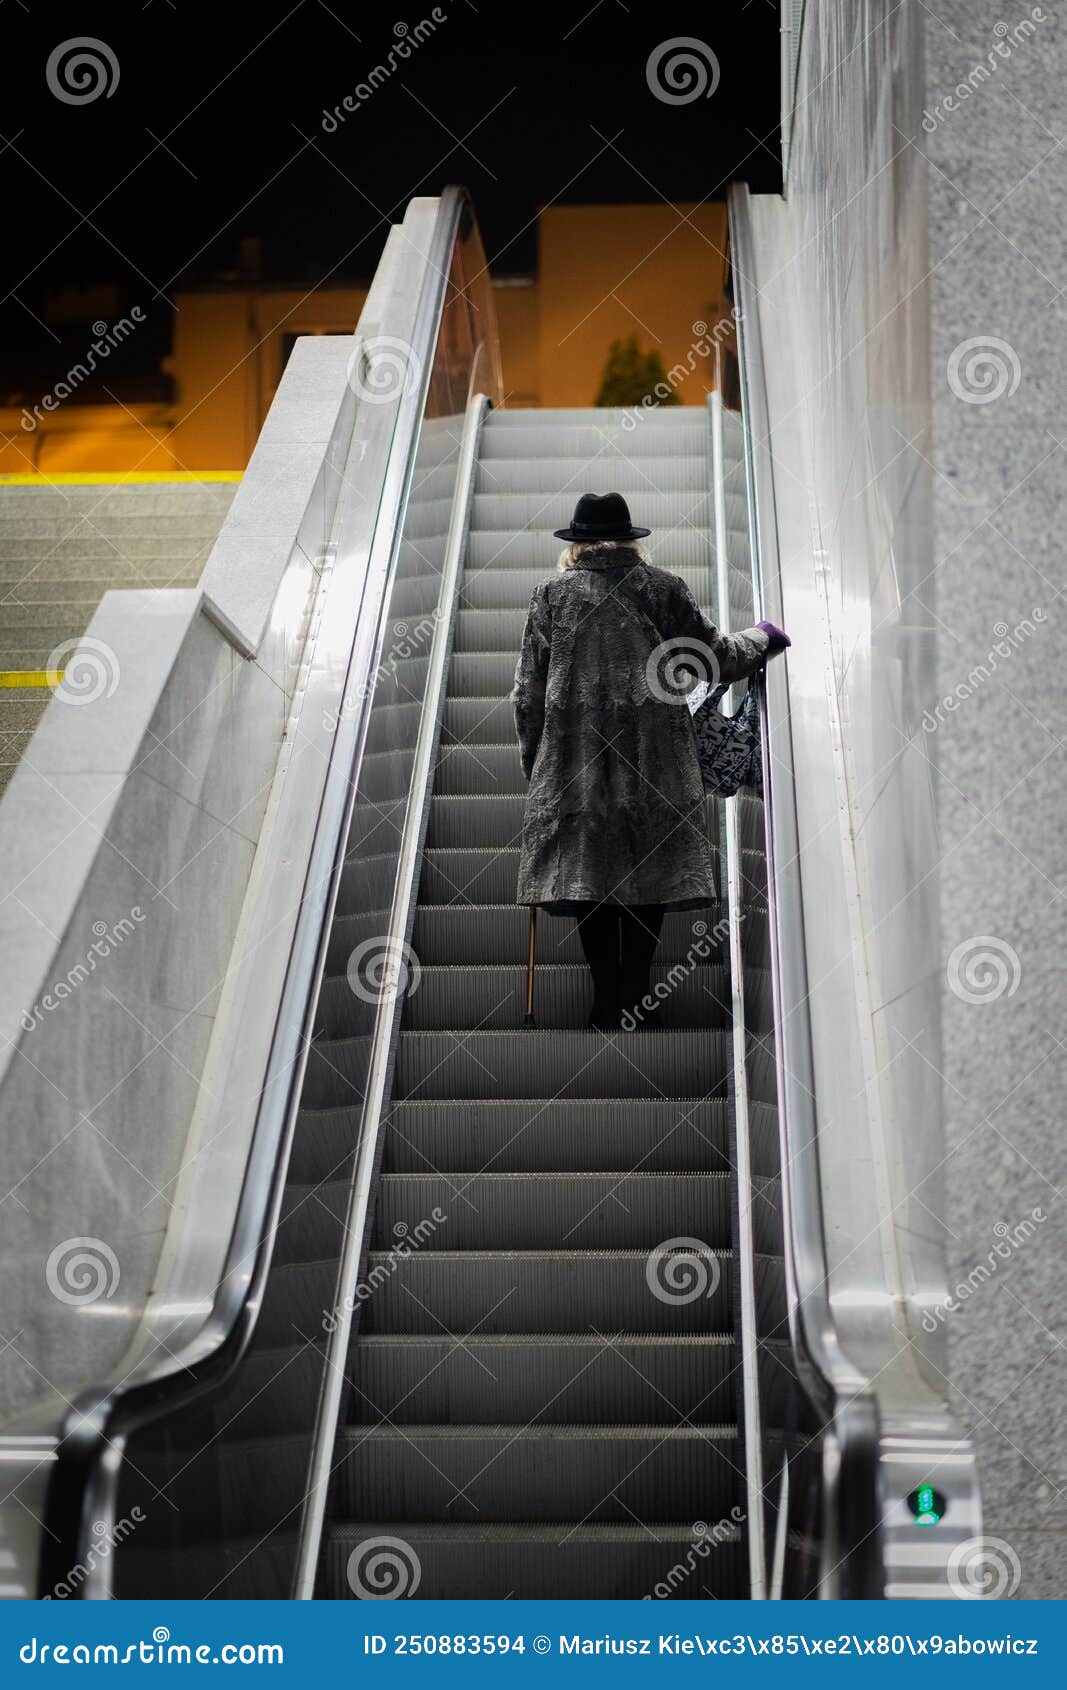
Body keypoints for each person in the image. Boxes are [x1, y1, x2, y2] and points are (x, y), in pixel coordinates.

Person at [511, 491, 790, 1030]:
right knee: (650, 870)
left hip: (575, 766)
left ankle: (603, 999)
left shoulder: (549, 597)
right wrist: (762, 638)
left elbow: (528, 693)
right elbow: (713, 659)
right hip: (656, 761)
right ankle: (639, 996)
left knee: (589, 873)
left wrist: (536, 765)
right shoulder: (660, 589)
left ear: (576, 545)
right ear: (631, 541)